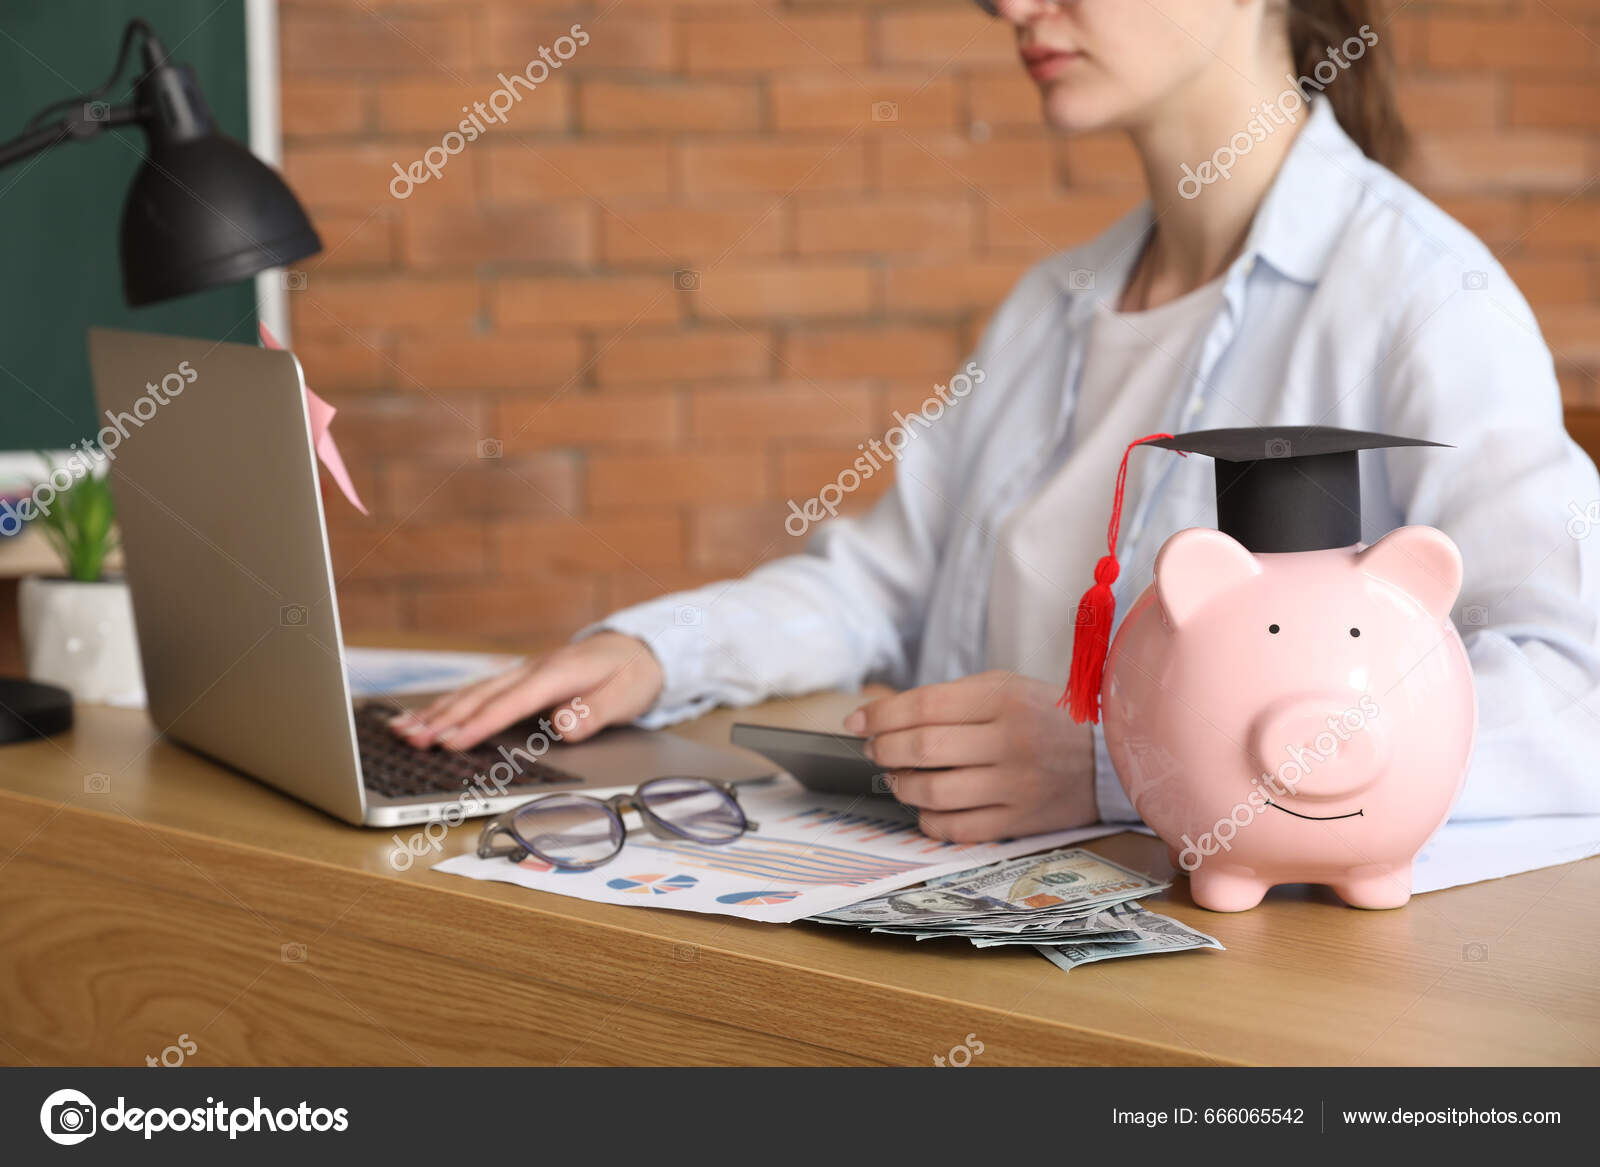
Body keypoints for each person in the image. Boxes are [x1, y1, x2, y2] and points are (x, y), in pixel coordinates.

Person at [392, 0, 1600, 842]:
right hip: (978, 914)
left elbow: (1571, 698)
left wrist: (1131, 766)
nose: (1017, 8)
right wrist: (656, 652)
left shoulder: (1422, 300)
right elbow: (876, 589)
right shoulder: (1051, 305)